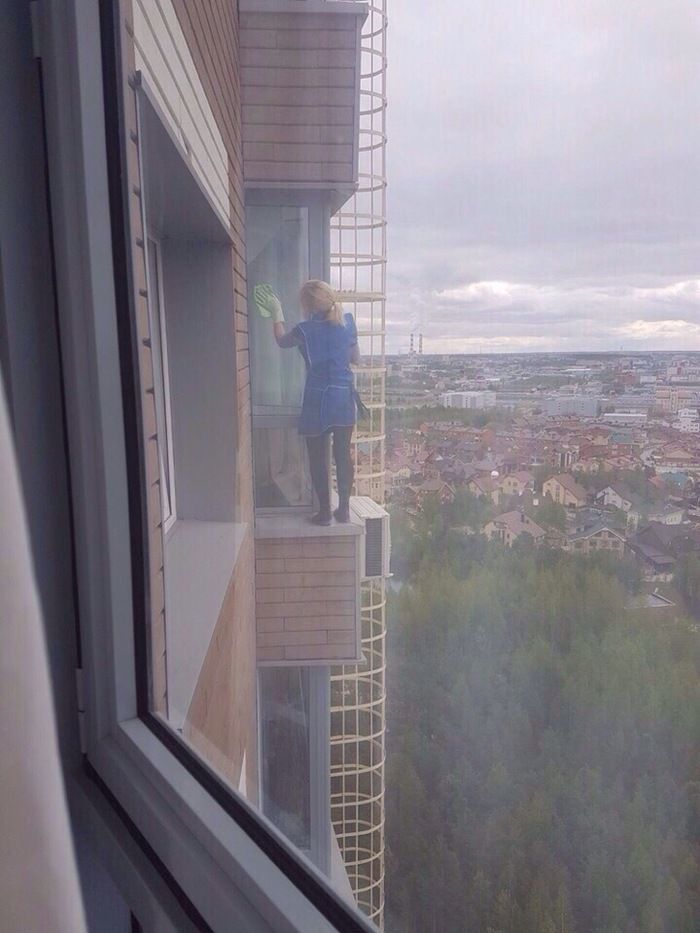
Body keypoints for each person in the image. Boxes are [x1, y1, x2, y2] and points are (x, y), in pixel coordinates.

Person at [256, 280, 360, 525]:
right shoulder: (347, 322)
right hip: (343, 397)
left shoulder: (304, 330)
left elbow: (281, 341)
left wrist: (277, 312)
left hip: (317, 399)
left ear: (308, 304)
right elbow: (355, 358)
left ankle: (324, 513)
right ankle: (344, 510)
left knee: (317, 457)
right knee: (342, 454)